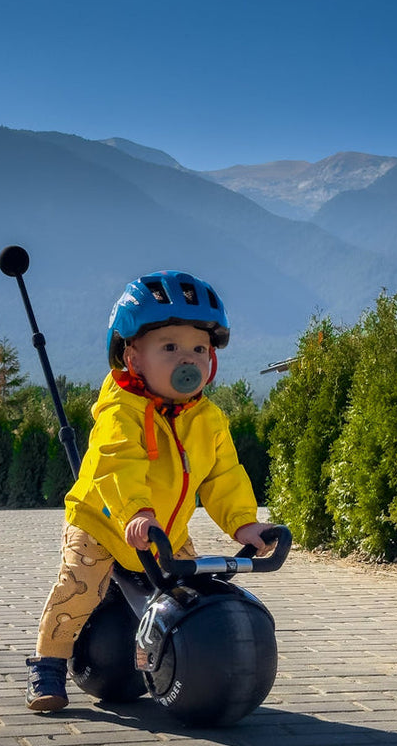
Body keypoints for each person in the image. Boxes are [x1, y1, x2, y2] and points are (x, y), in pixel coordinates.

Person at [26, 269, 274, 712]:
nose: (188, 359)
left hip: (166, 533)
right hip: (103, 523)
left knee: (191, 591)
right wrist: (136, 511)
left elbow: (224, 476)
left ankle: (178, 661)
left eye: (199, 349)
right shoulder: (120, 411)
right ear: (133, 358)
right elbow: (118, 464)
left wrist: (244, 524)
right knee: (78, 588)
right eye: (170, 347)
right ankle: (48, 665)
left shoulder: (208, 420)